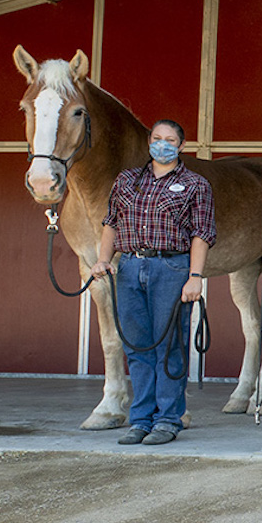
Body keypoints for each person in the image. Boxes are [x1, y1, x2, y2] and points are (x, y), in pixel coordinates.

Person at [91, 119, 216, 446]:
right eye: (157, 138)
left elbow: (201, 235)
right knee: (137, 346)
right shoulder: (127, 180)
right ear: (150, 142)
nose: (162, 144)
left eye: (170, 139)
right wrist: (104, 259)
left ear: (181, 146)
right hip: (130, 267)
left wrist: (195, 277)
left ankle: (168, 419)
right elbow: (110, 224)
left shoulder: (195, 184)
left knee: (169, 346)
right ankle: (141, 419)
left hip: (171, 268)